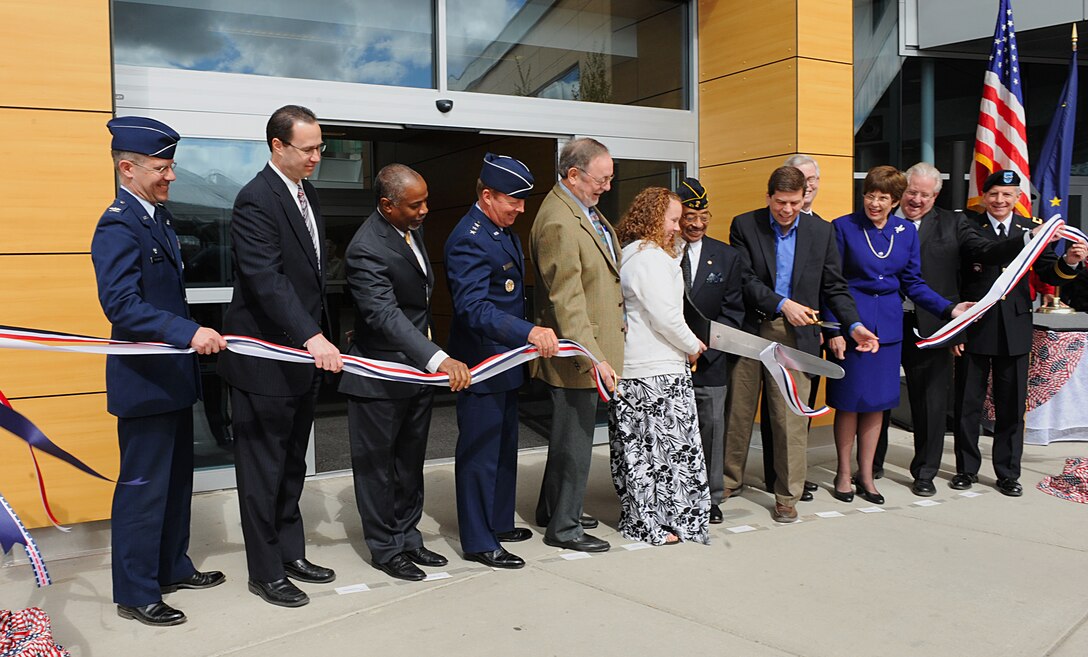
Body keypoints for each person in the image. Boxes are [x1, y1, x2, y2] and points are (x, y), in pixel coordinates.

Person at [92, 116, 227, 627]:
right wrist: (186, 332)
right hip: (144, 383)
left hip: (170, 379)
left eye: (171, 166)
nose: (171, 176)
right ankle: (136, 590)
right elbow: (121, 304)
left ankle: (171, 566)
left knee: (174, 484)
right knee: (144, 487)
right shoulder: (118, 223)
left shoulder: (156, 217)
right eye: (161, 167)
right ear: (128, 168)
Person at [217, 105, 343, 608]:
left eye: (319, 148)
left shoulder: (306, 192)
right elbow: (266, 280)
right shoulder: (255, 200)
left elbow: (311, 276)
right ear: (277, 146)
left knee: (292, 466)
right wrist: (313, 337)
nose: (316, 157)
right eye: (308, 149)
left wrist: (317, 339)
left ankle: (291, 552)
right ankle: (265, 571)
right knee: (262, 472)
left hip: (301, 361)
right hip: (266, 363)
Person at [724, 166, 879, 523]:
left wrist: (852, 325)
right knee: (739, 412)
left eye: (794, 202)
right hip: (752, 330)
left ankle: (787, 496)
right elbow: (744, 279)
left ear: (803, 198)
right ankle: (727, 482)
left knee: (790, 418)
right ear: (768, 198)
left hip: (798, 338)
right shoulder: (745, 225)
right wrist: (781, 303)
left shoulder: (821, 231)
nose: (787, 210)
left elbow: (834, 286)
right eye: (780, 202)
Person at [340, 164, 472, 581]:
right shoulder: (366, 247)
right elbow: (384, 314)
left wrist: (425, 361)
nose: (425, 210)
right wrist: (437, 358)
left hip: (414, 372)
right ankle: (385, 548)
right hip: (380, 377)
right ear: (387, 205)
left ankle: (409, 537)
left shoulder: (407, 230)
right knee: (378, 468)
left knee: (409, 463)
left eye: (425, 201)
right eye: (415, 205)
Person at [823, 166, 970, 505]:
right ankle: (844, 473)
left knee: (877, 404)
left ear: (895, 201)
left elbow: (914, 283)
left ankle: (866, 476)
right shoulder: (843, 227)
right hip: (852, 326)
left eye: (883, 198)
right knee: (849, 404)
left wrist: (950, 310)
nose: (875, 203)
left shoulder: (904, 232)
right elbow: (832, 284)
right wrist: (836, 329)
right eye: (870, 196)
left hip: (888, 332)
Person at [444, 154, 558, 569]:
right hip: (482, 363)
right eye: (514, 200)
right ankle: (478, 539)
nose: (521, 208)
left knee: (505, 447)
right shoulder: (469, 238)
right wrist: (526, 332)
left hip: (507, 360)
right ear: (488, 195)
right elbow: (472, 307)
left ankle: (497, 520)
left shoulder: (500, 228)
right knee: (479, 453)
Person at [953, 170, 1086, 496]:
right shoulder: (968, 225)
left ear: (1017, 199)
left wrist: (1069, 261)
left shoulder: (1030, 227)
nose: (1000, 201)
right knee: (967, 405)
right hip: (975, 325)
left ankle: (1007, 474)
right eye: (994, 194)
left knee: (1011, 407)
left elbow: (1049, 272)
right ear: (984, 196)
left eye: (1007, 195)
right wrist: (955, 331)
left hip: (1014, 327)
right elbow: (967, 267)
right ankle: (966, 470)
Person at [529, 137, 623, 553]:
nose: (606, 186)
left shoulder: (583, 210)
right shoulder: (559, 221)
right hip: (578, 355)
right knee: (575, 444)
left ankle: (554, 509)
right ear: (573, 175)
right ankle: (564, 528)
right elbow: (565, 299)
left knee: (569, 440)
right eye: (601, 179)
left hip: (590, 348)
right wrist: (595, 357)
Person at [610, 187, 710, 545]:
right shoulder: (648, 257)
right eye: (671, 219)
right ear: (653, 219)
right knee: (661, 455)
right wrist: (692, 344)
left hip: (646, 368)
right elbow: (666, 316)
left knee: (645, 453)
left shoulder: (637, 253)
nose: (677, 226)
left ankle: (655, 521)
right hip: (654, 371)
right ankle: (654, 524)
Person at [675, 178, 745, 524]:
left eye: (704, 216)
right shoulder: (660, 252)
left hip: (711, 360)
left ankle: (710, 496)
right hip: (669, 357)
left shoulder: (727, 256)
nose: (697, 224)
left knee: (711, 429)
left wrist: (707, 351)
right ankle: (675, 494)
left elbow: (733, 311)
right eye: (690, 216)